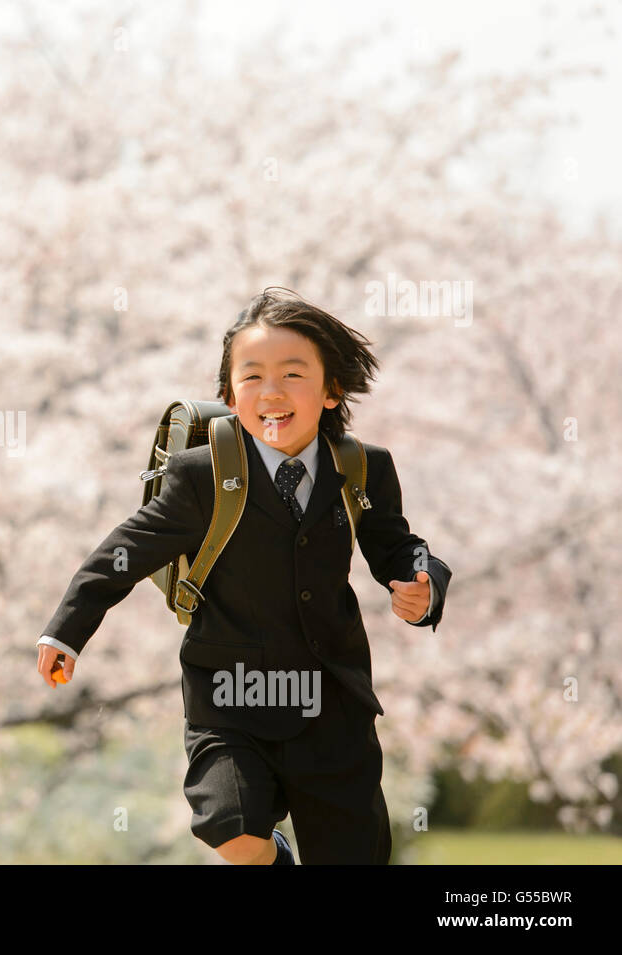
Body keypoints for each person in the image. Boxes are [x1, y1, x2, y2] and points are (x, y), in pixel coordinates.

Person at [35, 287, 452, 864]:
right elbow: (124, 551)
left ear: (332, 390)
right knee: (233, 833)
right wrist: (67, 630)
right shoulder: (200, 476)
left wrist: (420, 582)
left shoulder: (362, 467)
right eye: (251, 376)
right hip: (228, 698)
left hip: (331, 704)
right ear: (230, 394)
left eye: (293, 374)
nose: (271, 392)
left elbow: (395, 545)